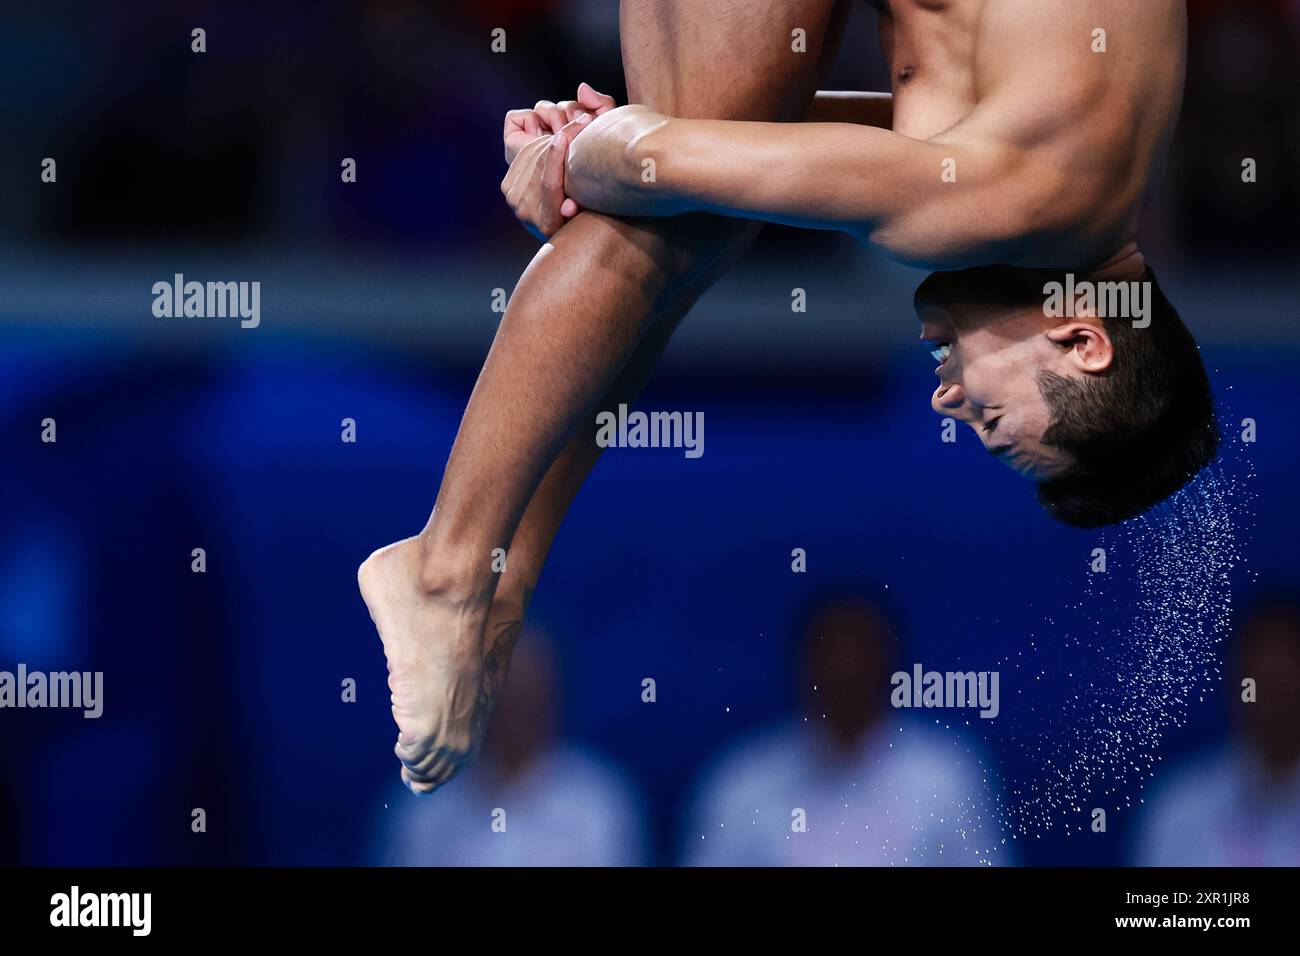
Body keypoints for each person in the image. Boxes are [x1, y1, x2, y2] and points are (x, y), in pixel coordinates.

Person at [359, 0, 1216, 795]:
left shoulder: (1096, 169)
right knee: (680, 222)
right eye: (990, 416)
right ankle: (449, 567)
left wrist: (612, 147)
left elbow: (745, 147)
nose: (947, 400)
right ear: (1082, 342)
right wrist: (569, 158)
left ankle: (500, 577)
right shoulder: (994, 206)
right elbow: (656, 160)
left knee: (700, 204)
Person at [682, 595, 1010, 866]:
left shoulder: (948, 775)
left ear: (889, 671)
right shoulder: (741, 783)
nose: (847, 675)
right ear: (805, 672)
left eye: (859, 673)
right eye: (834, 672)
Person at [1134, 600, 1300, 866]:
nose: (1274, 703)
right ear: (1235, 682)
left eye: (1284, 688)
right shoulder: (1179, 808)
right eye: (1264, 686)